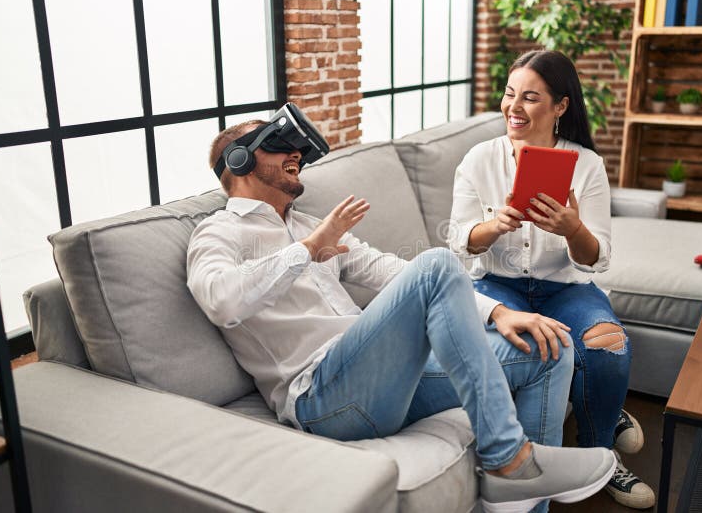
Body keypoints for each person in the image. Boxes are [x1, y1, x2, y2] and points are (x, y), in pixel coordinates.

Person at [186, 109, 616, 513]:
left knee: (549, 346)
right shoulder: (219, 232)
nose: (295, 154)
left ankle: (523, 498)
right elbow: (222, 302)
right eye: (278, 144)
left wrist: (498, 312)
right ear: (240, 161)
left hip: (382, 384)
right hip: (321, 399)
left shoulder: (306, 224)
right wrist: (308, 250)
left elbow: (391, 271)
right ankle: (508, 458)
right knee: (437, 264)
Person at [447, 50, 656, 510]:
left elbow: (596, 258)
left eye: (530, 97)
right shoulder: (479, 159)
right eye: (509, 94)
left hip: (566, 289)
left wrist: (573, 229)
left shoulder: (586, 164)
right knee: (534, 348)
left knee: (608, 347)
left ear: (561, 106)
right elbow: (460, 243)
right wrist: (494, 226)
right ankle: (594, 415)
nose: (513, 107)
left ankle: (601, 456)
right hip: (497, 285)